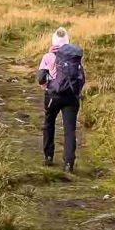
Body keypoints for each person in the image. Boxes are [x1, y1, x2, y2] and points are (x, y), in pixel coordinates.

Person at [36, 27, 85, 173]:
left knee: (49, 123)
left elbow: (40, 79)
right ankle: (69, 163)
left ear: (53, 40)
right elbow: (80, 77)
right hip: (72, 97)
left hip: (53, 96)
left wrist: (47, 83)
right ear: (67, 41)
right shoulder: (74, 57)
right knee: (70, 130)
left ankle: (48, 156)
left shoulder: (48, 56)